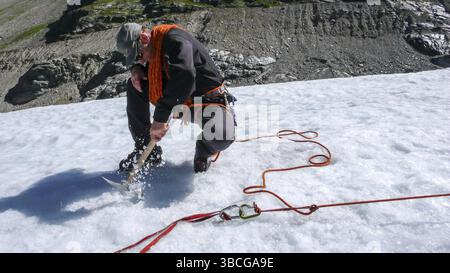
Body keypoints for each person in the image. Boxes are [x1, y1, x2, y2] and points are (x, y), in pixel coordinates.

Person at [116, 23, 236, 173]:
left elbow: (185, 77)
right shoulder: (155, 44)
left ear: (144, 38)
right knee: (135, 84)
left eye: (139, 55)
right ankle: (146, 150)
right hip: (180, 101)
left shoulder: (175, 39)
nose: (142, 59)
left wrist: (160, 118)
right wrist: (138, 68)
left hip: (206, 101)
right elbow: (159, 67)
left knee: (222, 135)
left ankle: (204, 149)